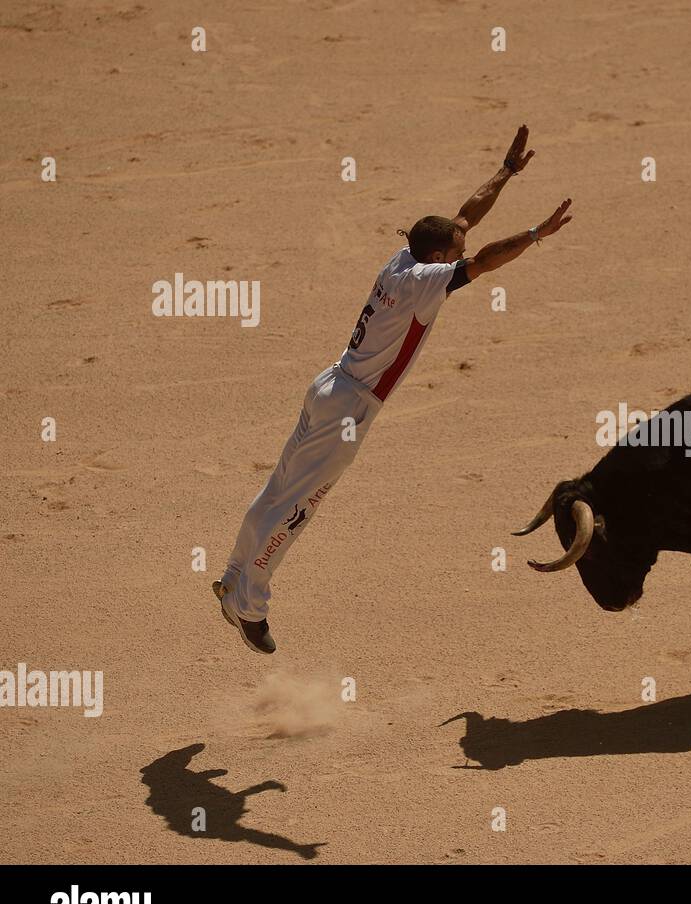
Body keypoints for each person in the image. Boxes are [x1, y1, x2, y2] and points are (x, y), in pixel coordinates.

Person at [213, 125, 572, 653]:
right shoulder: (426, 280)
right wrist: (537, 232)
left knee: (276, 491)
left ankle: (232, 577)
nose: (461, 248)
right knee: (297, 507)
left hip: (330, 384)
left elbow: (465, 218)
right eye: (454, 250)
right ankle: (249, 604)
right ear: (437, 258)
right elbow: (487, 257)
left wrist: (507, 172)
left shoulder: (404, 259)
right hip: (350, 409)